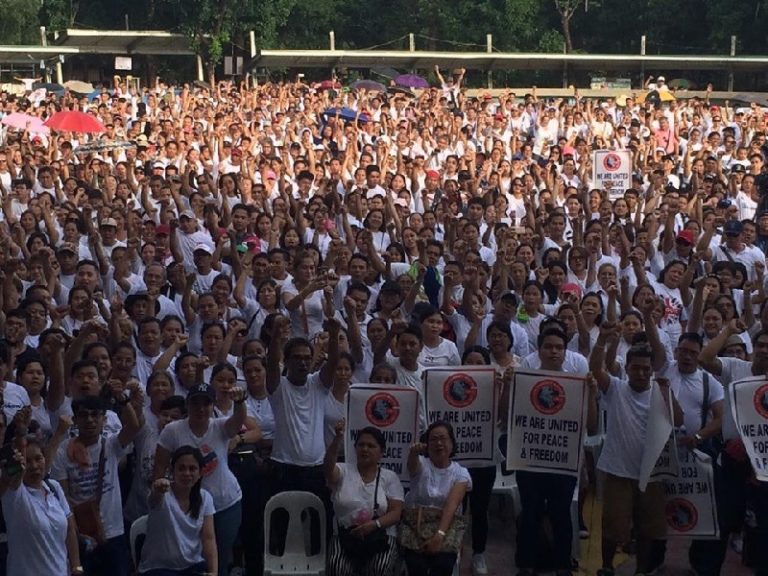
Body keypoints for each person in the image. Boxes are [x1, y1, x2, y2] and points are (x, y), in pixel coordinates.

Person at [590, 321, 684, 576]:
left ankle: (641, 571)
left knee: (647, 529)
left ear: (652, 369)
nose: (641, 373)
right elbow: (595, 369)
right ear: (627, 369)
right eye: (636, 368)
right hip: (618, 471)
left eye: (646, 368)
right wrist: (601, 342)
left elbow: (679, 419)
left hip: (651, 473)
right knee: (612, 527)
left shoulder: (660, 390)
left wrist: (666, 392)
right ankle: (606, 566)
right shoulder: (616, 389)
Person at [153, 382, 249, 576]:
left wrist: (239, 402)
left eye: (206, 404)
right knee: (192, 562)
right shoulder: (172, 430)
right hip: (188, 508)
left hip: (225, 504)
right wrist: (160, 493)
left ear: (212, 405)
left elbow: (238, 420)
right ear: (187, 405)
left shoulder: (220, 426)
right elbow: (160, 467)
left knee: (219, 560)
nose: (200, 408)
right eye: (195, 403)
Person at [50, 387, 142, 576]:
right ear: (75, 420)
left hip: (113, 532)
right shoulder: (62, 452)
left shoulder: (111, 445)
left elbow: (133, 426)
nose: (90, 420)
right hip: (81, 535)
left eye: (95, 415)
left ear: (104, 419)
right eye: (84, 416)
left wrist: (123, 401)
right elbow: (64, 496)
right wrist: (75, 532)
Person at [324, 422, 403, 576]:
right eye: (361, 445)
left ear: (382, 452)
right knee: (338, 568)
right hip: (345, 536)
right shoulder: (343, 470)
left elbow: (396, 512)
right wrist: (337, 439)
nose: (365, 449)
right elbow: (328, 470)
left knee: (379, 568)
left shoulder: (390, 477)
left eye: (371, 446)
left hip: (380, 536)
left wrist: (375, 525)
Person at [0, 438, 83, 576]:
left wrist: (77, 568)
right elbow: (9, 483)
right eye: (27, 461)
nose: (33, 466)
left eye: (38, 458)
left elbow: (70, 530)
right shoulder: (14, 495)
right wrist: (8, 476)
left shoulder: (54, 488)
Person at [401, 421, 472, 576]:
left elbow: (452, 505)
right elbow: (412, 466)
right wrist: (413, 453)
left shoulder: (461, 473)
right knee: (416, 566)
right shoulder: (421, 463)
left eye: (443, 438)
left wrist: (439, 535)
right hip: (415, 525)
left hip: (446, 526)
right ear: (426, 444)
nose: (438, 443)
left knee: (443, 565)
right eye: (433, 439)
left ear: (452, 443)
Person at [139, 446, 217, 576]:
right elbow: (154, 497)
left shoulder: (206, 498)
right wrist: (158, 488)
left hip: (193, 566)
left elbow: (208, 538)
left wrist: (214, 572)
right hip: (158, 568)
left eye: (192, 469)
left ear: (200, 472)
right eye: (181, 468)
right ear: (172, 470)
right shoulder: (163, 493)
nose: (187, 473)